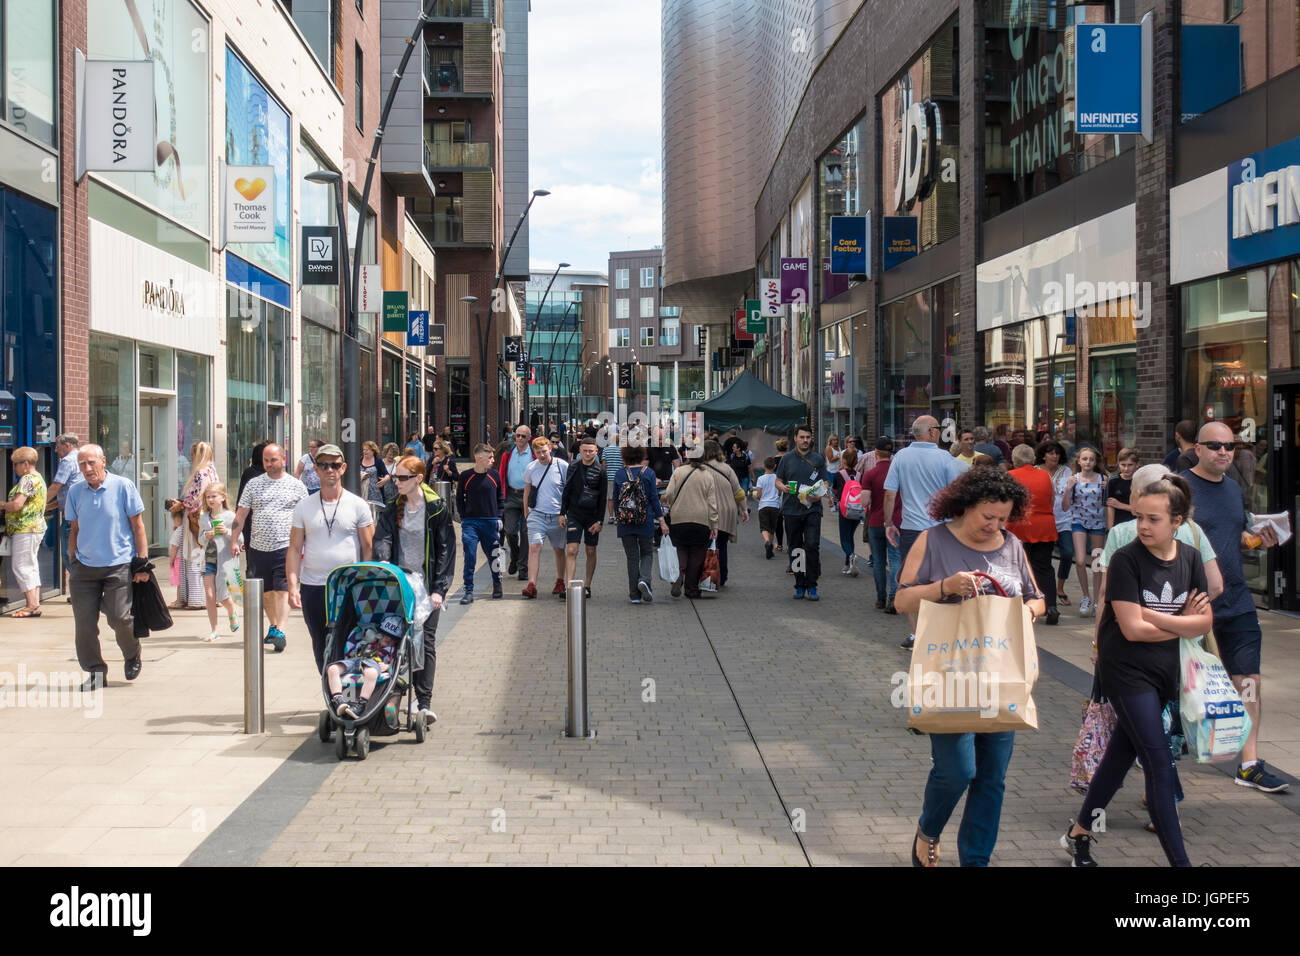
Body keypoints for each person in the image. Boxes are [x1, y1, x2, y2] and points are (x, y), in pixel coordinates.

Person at [894, 468, 1046, 867]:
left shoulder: (1011, 544)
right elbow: (902, 601)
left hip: (999, 677)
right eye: (987, 517)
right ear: (964, 507)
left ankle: (975, 860)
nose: (995, 526)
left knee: (991, 778)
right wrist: (944, 587)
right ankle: (929, 828)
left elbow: (1037, 598)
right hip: (949, 675)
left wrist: (1028, 611)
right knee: (957, 770)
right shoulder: (933, 540)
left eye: (1003, 518)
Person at [1061, 475, 1213, 867]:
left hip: (1166, 672)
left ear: (1177, 521)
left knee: (1119, 757)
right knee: (1158, 761)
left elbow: (1204, 623)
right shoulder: (1127, 559)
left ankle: (1079, 833)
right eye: (1139, 517)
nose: (1143, 526)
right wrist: (1179, 622)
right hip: (1125, 671)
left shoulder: (1191, 557)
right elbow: (1131, 629)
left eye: (1154, 519)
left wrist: (1154, 617)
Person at [1180, 421, 1288, 793]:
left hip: (1237, 600)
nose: (1224, 452)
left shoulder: (1232, 489)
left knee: (1248, 682)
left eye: (1230, 446)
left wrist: (1257, 540)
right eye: (1215, 446)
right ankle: (1162, 759)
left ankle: (1250, 763)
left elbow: (1237, 537)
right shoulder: (1178, 489)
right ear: (1198, 449)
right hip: (1192, 604)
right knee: (1185, 686)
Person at [371, 456, 455, 725]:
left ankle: (424, 702)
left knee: (426, 641)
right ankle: (387, 692)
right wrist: (383, 559)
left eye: (402, 478)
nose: (396, 482)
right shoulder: (392, 508)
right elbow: (382, 537)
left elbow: (446, 551)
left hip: (427, 586)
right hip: (399, 584)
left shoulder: (436, 509)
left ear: (419, 478)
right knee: (393, 638)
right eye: (395, 477)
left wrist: (439, 589)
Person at [66, 444, 149, 689]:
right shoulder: (75, 491)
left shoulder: (123, 486)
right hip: (84, 568)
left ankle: (132, 653)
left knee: (120, 617)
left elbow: (138, 527)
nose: (87, 468)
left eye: (91, 462)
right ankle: (95, 671)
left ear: (103, 461)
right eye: (82, 464)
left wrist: (142, 563)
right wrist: (73, 561)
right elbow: (74, 529)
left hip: (118, 565)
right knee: (84, 624)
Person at [286, 444, 374, 671]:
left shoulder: (358, 505)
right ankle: (330, 692)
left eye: (335, 465)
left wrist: (365, 583)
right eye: (324, 465)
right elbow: (294, 548)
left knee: (346, 642)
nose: (329, 470)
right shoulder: (304, 506)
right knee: (319, 642)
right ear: (315, 469)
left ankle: (343, 696)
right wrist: (293, 586)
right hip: (314, 586)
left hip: (348, 586)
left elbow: (368, 546)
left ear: (343, 468)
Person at [884, 416, 970, 647]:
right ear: (931, 432)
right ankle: (941, 633)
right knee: (942, 580)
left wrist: (888, 523)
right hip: (941, 529)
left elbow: (890, 493)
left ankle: (916, 634)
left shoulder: (901, 456)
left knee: (912, 583)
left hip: (911, 528)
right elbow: (955, 493)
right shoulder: (944, 458)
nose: (940, 432)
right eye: (939, 429)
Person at [231, 444, 308, 651]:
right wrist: (233, 540)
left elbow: (307, 516)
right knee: (266, 591)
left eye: (273, 460)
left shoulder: (296, 485)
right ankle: (273, 627)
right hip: (257, 546)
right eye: (266, 460)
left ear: (283, 459)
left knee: (282, 587)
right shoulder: (253, 484)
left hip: (286, 545)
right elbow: (241, 514)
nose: (269, 464)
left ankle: (280, 629)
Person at [1006, 442, 1060, 625]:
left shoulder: (1010, 476)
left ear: (1014, 460)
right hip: (1044, 525)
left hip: (1019, 526)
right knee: (1044, 567)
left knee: (1019, 567)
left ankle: (1022, 606)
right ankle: (1051, 606)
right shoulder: (1045, 475)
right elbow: (1051, 499)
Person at [775, 424, 828, 601]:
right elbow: (778, 480)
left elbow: (825, 483)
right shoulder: (787, 458)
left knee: (812, 546)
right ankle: (799, 584)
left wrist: (818, 495)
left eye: (808, 437)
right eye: (802, 437)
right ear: (796, 439)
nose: (805, 440)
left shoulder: (818, 458)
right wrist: (782, 487)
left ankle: (812, 585)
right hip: (791, 509)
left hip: (812, 509)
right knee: (796, 548)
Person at [614, 444, 669, 604]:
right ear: (641, 455)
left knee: (632, 557)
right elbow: (653, 498)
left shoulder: (619, 474)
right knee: (646, 552)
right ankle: (644, 580)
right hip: (645, 520)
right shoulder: (649, 473)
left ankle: (634, 595)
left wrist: (619, 518)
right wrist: (662, 520)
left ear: (624, 456)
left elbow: (616, 498)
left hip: (625, 522)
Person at [171, 441, 219, 611]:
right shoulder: (212, 471)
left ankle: (196, 599)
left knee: (193, 557)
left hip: (196, 519)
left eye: (193, 454)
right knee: (208, 557)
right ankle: (213, 595)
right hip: (209, 518)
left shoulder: (201, 473)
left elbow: (198, 497)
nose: (191, 457)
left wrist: (183, 504)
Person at [662, 454, 719, 599]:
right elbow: (712, 503)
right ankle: (691, 589)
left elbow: (668, 494)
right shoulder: (707, 475)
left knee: (680, 550)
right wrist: (714, 525)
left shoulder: (678, 471)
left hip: (679, 519)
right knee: (697, 556)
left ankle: (678, 575)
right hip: (701, 520)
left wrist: (670, 504)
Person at [1061, 446, 1107, 616]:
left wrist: (1106, 488)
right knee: (1080, 560)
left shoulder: (1103, 479)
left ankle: (1096, 601)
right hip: (1079, 522)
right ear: (1079, 461)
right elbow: (1065, 507)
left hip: (1097, 524)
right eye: (1085, 459)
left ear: (1096, 462)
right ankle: (1085, 596)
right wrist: (1068, 488)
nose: (1088, 462)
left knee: (1096, 563)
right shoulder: (1074, 479)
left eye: (1091, 459)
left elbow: (1107, 502)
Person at [456, 443, 505, 603]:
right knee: (469, 554)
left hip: (490, 520)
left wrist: (498, 516)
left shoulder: (495, 475)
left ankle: (498, 584)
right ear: (479, 458)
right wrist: (464, 517)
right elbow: (459, 499)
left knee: (495, 554)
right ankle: (468, 590)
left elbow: (500, 497)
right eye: (489, 457)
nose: (492, 460)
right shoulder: (466, 476)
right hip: (471, 522)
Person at [325, 616, 401, 720]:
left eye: (392, 638)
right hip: (356, 660)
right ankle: (338, 699)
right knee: (332, 669)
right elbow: (352, 650)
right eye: (385, 635)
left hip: (374, 663)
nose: (388, 639)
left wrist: (388, 666)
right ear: (379, 634)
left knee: (372, 673)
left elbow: (396, 660)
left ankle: (361, 704)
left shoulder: (392, 649)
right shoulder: (369, 641)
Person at [521, 436, 569, 599]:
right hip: (537, 514)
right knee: (534, 547)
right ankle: (532, 584)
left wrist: (565, 513)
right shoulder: (531, 468)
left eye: (544, 451)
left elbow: (568, 490)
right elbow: (527, 490)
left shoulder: (562, 466)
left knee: (559, 549)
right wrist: (526, 512)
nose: (541, 455)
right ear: (534, 453)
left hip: (557, 515)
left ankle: (560, 580)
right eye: (538, 452)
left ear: (550, 449)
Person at [559, 436, 606, 598]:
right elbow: (566, 491)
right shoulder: (573, 467)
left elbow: (602, 498)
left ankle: (587, 585)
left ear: (596, 451)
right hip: (574, 514)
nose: (587, 454)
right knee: (571, 549)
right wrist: (562, 513)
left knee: (590, 550)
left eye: (590, 451)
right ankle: (569, 586)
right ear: (579, 451)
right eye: (584, 451)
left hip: (592, 517)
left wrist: (600, 521)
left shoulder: (601, 471)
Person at [4, 447, 47, 617]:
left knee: (21, 566)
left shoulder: (28, 479)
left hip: (26, 529)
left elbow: (16, 504)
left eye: (16, 464)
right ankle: (34, 603)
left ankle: (31, 604)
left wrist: (2, 505)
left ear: (26, 464)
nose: (14, 468)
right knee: (30, 565)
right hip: (33, 529)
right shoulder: (38, 478)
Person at [863, 437, 903, 612]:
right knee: (895, 560)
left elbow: (864, 501)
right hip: (896, 522)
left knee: (879, 561)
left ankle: (880, 597)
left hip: (875, 522)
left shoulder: (870, 474)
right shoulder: (898, 473)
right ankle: (894, 597)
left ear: (876, 452)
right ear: (891, 452)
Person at [197, 483, 240, 643]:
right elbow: (200, 539)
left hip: (224, 560)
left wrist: (227, 532)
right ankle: (214, 630)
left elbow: (240, 539)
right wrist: (206, 536)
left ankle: (231, 610)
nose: (210, 500)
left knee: (222, 595)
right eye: (208, 497)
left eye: (214, 496)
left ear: (222, 497)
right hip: (208, 558)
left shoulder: (231, 516)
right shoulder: (204, 517)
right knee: (209, 595)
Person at [703, 439, 747, 588]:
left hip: (707, 513)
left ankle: (707, 575)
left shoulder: (699, 469)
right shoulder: (727, 468)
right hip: (727, 512)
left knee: (706, 544)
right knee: (721, 544)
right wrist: (744, 510)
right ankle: (722, 577)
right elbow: (738, 492)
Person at [1038, 440, 1074, 608]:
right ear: (1043, 455)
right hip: (1043, 520)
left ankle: (1060, 587)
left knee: (1067, 553)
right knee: (1043, 559)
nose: (1054, 456)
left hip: (1063, 519)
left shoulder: (1066, 471)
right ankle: (1044, 589)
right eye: (1051, 453)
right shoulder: (1037, 470)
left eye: (1057, 453)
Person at [498, 426, 534, 580]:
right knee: (510, 531)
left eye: (523, 436)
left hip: (529, 498)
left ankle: (523, 567)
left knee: (526, 533)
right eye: (517, 436)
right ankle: (515, 555)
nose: (519, 439)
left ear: (529, 438)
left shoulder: (533, 454)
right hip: (511, 495)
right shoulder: (508, 453)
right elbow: (501, 474)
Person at [45, 433, 84, 572]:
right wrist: (48, 506)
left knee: (69, 553)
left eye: (57, 446)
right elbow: (67, 493)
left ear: (67, 445)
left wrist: (38, 503)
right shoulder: (81, 458)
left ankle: (79, 589)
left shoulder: (67, 461)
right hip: (82, 512)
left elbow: (56, 486)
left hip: (71, 516)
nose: (55, 450)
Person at [832, 447, 863, 577]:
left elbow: (834, 490)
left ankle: (851, 556)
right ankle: (848, 564)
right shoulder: (860, 475)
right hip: (857, 509)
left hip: (845, 510)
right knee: (850, 536)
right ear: (856, 461)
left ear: (844, 460)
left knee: (844, 538)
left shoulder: (840, 475)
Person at [754, 456, 781, 560]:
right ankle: (770, 549)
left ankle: (767, 542)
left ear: (764, 466)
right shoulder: (777, 478)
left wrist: (758, 497)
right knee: (772, 528)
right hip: (775, 505)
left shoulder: (760, 479)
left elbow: (759, 494)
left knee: (764, 527)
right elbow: (779, 492)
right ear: (775, 466)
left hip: (764, 505)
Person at [1106, 448, 1138, 528]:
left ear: (1137, 464)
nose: (1126, 469)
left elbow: (1142, 509)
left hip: (1137, 525)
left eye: (1130, 465)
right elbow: (1110, 507)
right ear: (1118, 464)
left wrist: (1120, 505)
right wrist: (1110, 530)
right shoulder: (1113, 481)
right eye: (1123, 465)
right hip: (1118, 526)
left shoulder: (1140, 481)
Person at [600, 433, 624, 524]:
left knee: (610, 498)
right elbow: (625, 464)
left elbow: (604, 465)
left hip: (609, 477)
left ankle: (611, 516)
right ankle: (618, 516)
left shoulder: (606, 450)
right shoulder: (622, 450)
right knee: (620, 497)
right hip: (620, 477)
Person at [358, 441, 390, 506]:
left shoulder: (378, 461)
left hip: (375, 494)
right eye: (364, 449)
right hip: (361, 492)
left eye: (367, 450)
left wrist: (385, 480)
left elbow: (387, 475)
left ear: (373, 451)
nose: (365, 451)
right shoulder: (359, 460)